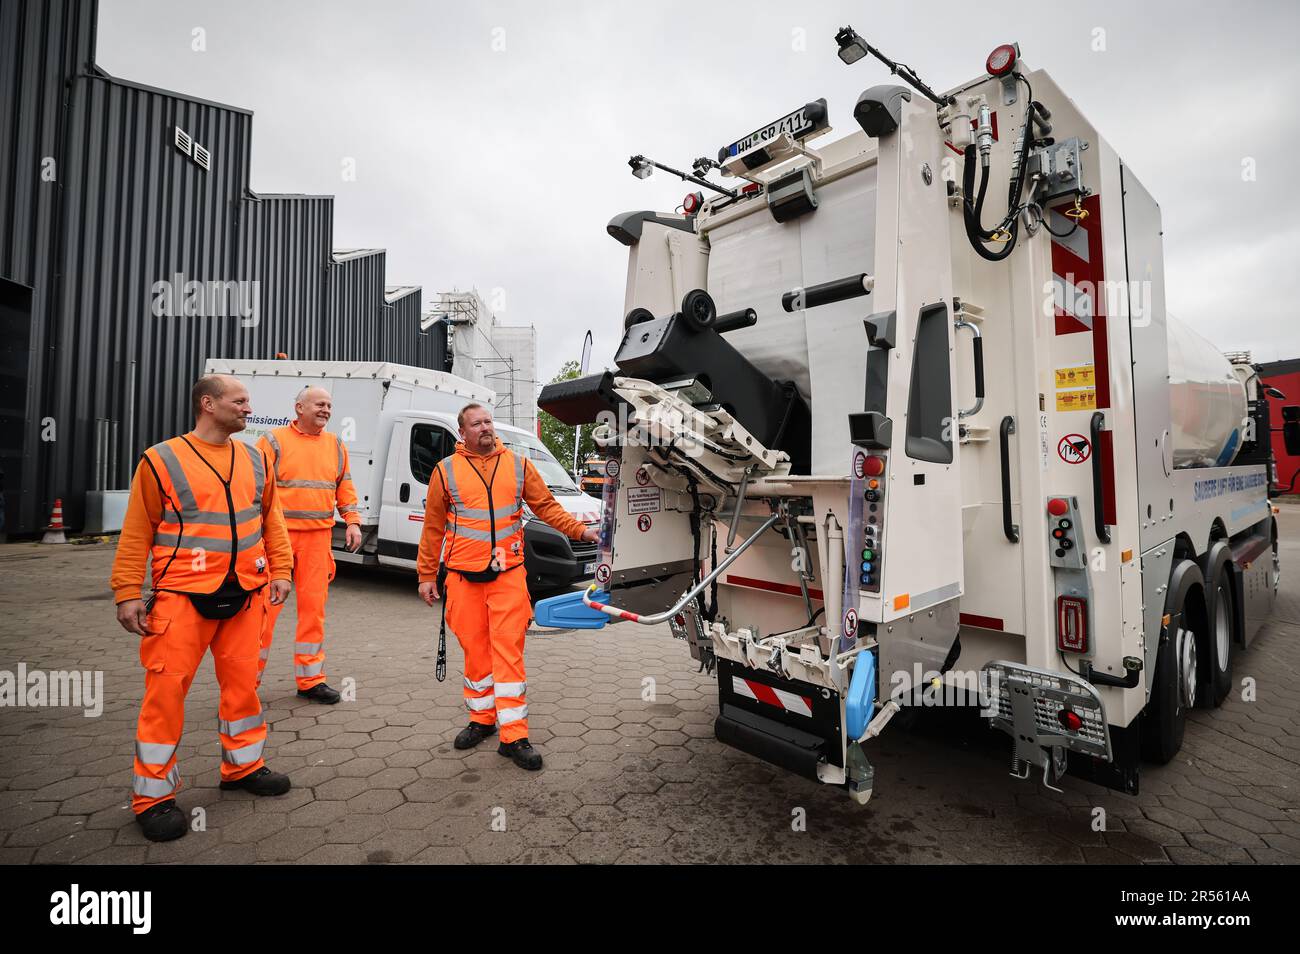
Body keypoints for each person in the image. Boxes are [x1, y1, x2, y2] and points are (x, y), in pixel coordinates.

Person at [111, 374, 294, 843]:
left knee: (243, 687)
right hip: (181, 596)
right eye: (240, 401)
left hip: (246, 593)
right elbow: (137, 530)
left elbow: (270, 519)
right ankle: (152, 799)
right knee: (165, 695)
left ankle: (244, 767)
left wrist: (281, 572)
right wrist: (128, 590)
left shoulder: (255, 457)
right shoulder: (162, 459)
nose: (248, 408)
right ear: (208, 404)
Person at [416, 404, 599, 770]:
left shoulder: (517, 465)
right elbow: (433, 526)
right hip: (463, 578)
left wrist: (580, 530)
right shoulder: (445, 471)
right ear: (462, 432)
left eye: (488, 421)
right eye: (476, 424)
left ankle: (514, 735)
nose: (485, 428)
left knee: (508, 654)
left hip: (508, 575)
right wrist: (424, 575)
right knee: (475, 654)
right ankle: (482, 720)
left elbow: (546, 506)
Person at [256, 387, 362, 704]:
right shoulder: (273, 441)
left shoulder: (335, 445)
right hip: (277, 538)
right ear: (299, 407)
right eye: (320, 404)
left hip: (318, 539)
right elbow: (254, 486)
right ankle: (245, 683)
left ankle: (311, 680)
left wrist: (353, 521)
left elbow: (344, 485)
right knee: (263, 614)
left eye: (329, 404)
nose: (326, 409)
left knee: (313, 613)